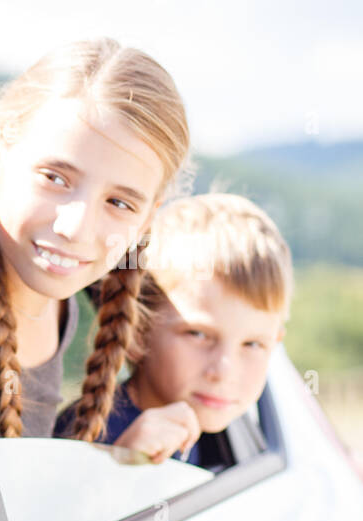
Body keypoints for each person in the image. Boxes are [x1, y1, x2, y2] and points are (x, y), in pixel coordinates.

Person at [0, 38, 191, 442]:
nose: (76, 228)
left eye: (119, 202)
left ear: (144, 221)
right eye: (55, 178)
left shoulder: (56, 304)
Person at [53, 193, 293, 464]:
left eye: (253, 344)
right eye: (199, 334)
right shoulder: (89, 434)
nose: (225, 371)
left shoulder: (200, 427)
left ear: (275, 342)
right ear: (135, 334)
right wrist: (122, 464)